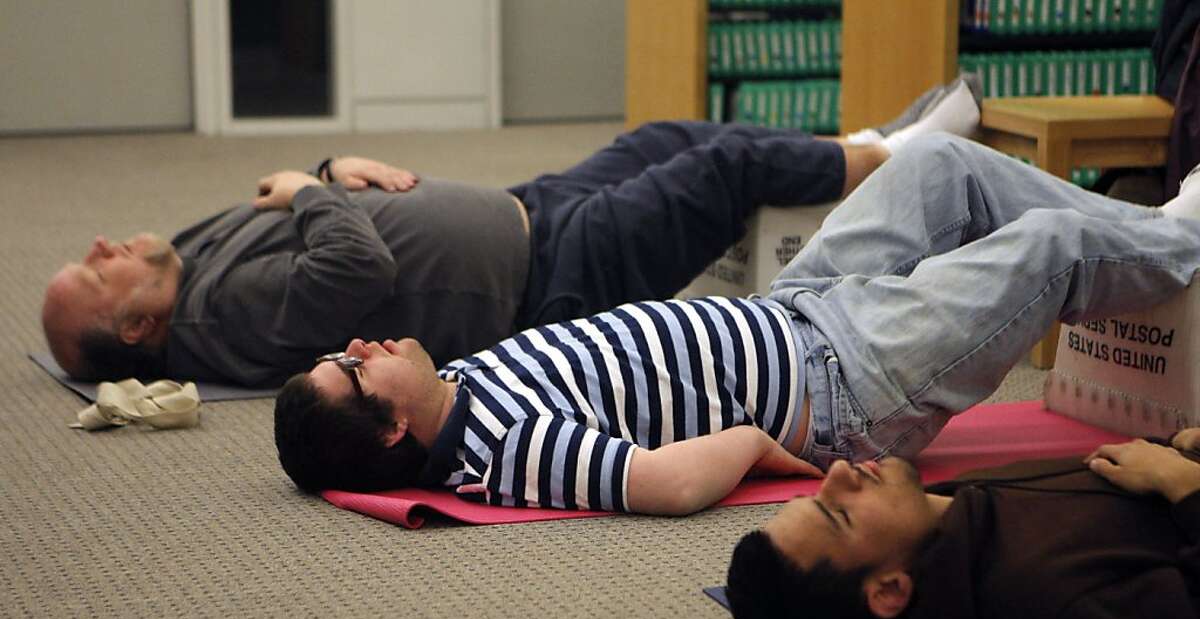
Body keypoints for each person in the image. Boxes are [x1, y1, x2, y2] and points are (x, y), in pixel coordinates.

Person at [272, 130, 1200, 513]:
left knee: (940, 166)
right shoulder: (506, 448)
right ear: (394, 426)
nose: (357, 346)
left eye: (338, 353)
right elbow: (662, 484)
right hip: (844, 383)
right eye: (353, 371)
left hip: (795, 310)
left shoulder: (462, 383)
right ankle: (1187, 238)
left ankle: (1163, 236)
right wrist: (763, 438)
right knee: (1048, 249)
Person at [39, 76, 981, 388]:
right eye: (97, 274)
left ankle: (867, 146)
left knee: (662, 137)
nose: (99, 247)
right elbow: (354, 264)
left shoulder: (187, 268)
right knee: (718, 173)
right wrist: (313, 185)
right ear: (136, 331)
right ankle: (910, 158)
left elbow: (318, 220)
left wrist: (319, 180)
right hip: (547, 278)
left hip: (525, 212)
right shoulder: (219, 318)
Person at [724, 428, 1200, 619]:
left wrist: (1176, 447)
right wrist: (1185, 485)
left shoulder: (954, 511)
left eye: (817, 493)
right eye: (840, 514)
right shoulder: (1043, 594)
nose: (842, 472)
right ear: (890, 589)